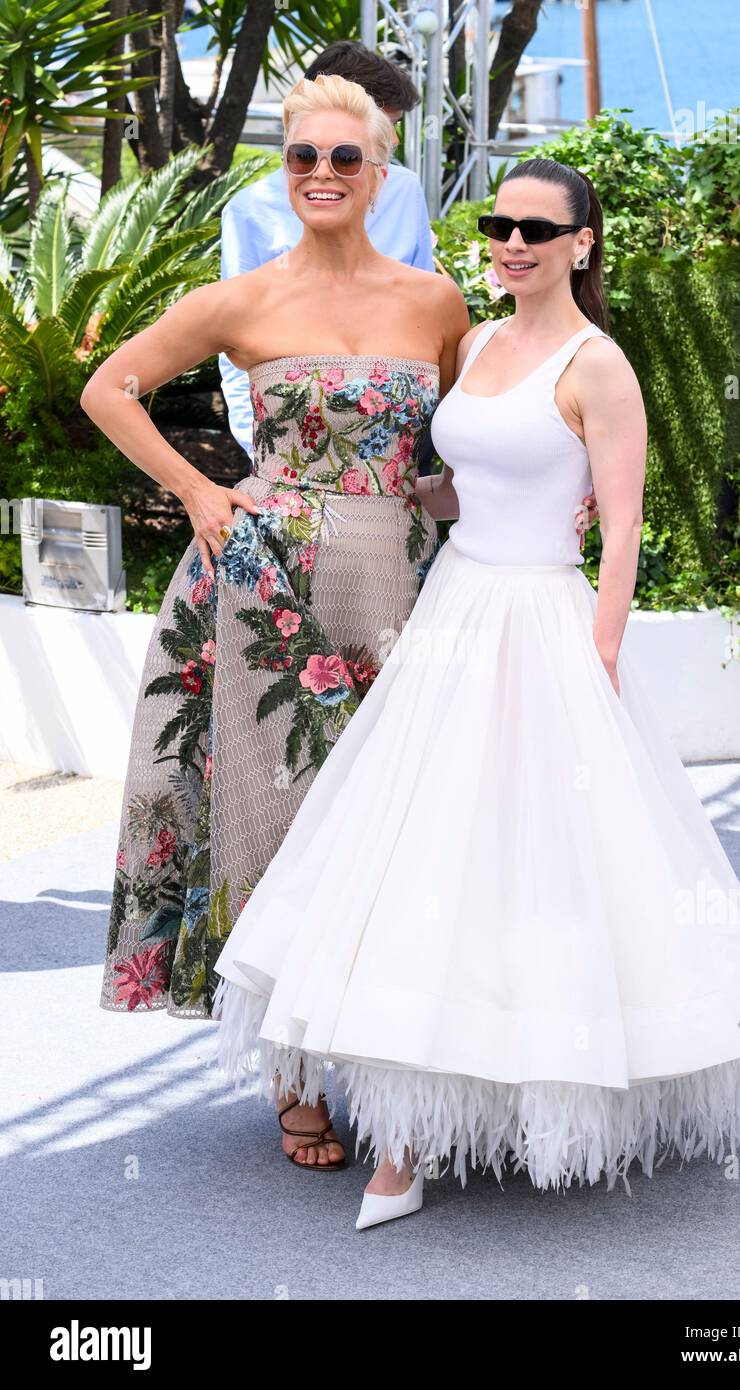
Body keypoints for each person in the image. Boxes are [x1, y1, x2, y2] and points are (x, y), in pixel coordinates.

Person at [211, 157, 740, 1227]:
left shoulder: (595, 361)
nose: (512, 241)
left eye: (536, 226)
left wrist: (600, 654)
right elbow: (453, 485)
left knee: (534, 859)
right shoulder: (474, 343)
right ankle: (408, 1131)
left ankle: (490, 1095)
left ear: (581, 242)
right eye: (497, 224)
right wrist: (354, 492)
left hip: (544, 624)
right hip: (453, 614)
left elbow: (620, 526)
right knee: (421, 847)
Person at [81, 73, 470, 1173]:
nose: (320, 175)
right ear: (283, 169)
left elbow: (452, 451)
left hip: (399, 583)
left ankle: (397, 1052)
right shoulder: (242, 299)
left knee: (397, 823)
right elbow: (111, 388)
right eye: (301, 157)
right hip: (267, 590)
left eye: (344, 159)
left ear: (379, 172)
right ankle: (292, 1074)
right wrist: (203, 491)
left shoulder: (434, 302)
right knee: (280, 817)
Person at [220, 41, 435, 460]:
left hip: (394, 439)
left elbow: (426, 320)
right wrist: (257, 446)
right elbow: (232, 348)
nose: (390, 137)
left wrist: (414, 444)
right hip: (292, 443)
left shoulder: (405, 189)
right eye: (384, 122)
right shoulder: (249, 210)